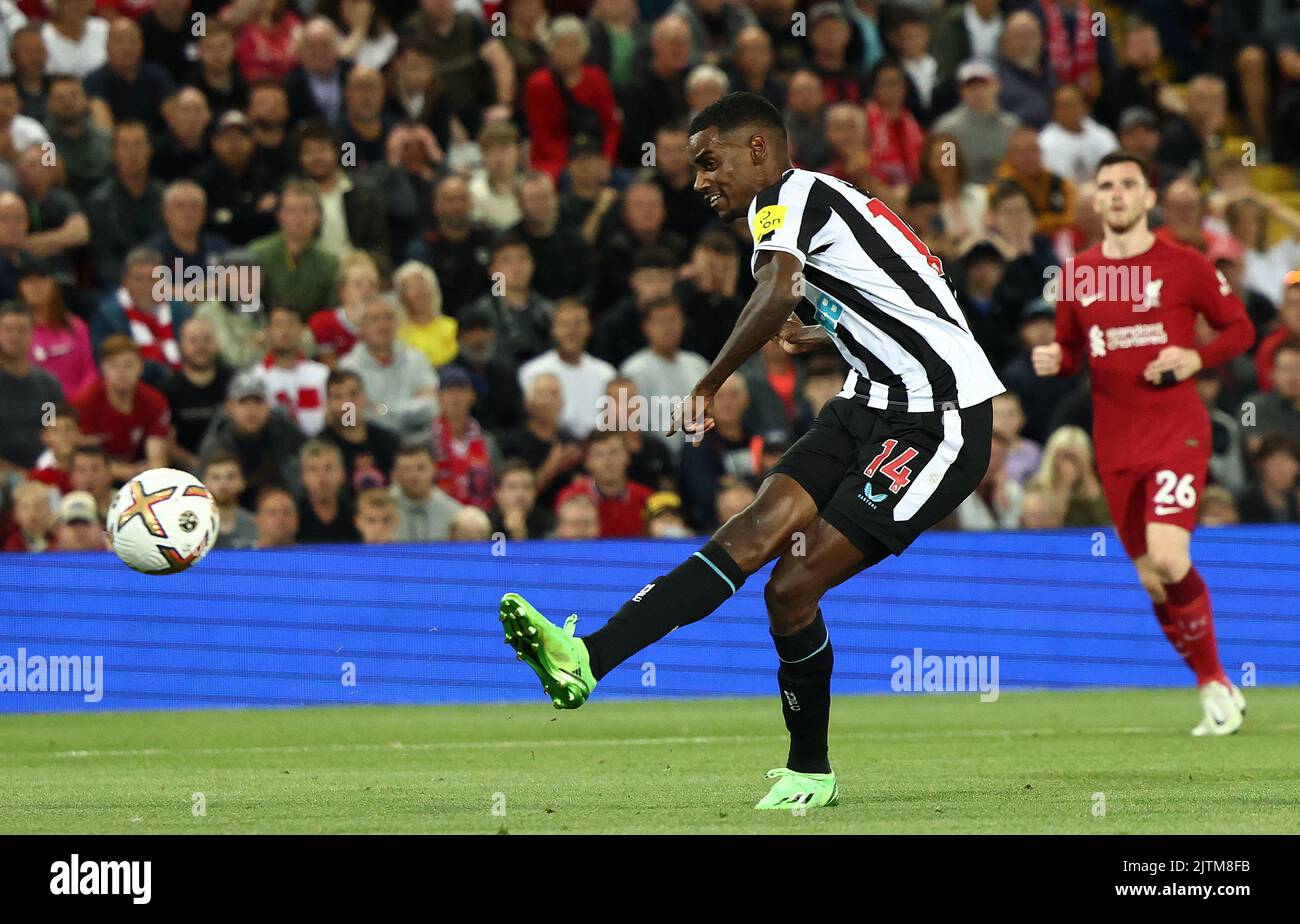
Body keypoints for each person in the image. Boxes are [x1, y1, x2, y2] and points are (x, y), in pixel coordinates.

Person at [498, 92, 1002, 810]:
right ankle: (587, 659)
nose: (701, 181)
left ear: (758, 151)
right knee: (753, 531)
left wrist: (707, 383)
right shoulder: (828, 199)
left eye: (710, 162)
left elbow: (775, 291)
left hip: (939, 424)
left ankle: (810, 771)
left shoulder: (784, 202)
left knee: (791, 587)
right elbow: (927, 294)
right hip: (867, 403)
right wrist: (831, 334)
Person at [1033, 151, 1256, 736]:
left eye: (1129, 184)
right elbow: (1071, 351)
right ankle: (1214, 683)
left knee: (1167, 555)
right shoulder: (1078, 273)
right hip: (1116, 443)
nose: (1116, 194)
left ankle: (1213, 682)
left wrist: (1195, 356)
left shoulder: (1184, 264)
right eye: (1105, 185)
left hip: (1177, 430)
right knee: (1152, 578)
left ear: (1148, 198)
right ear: (1096, 199)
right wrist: (1057, 361)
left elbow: (1241, 328)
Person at [389, 442, 463, 542]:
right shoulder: (380, 511)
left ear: (434, 469)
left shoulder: (454, 513)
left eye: (421, 468)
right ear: (395, 473)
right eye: (406, 469)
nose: (413, 476)